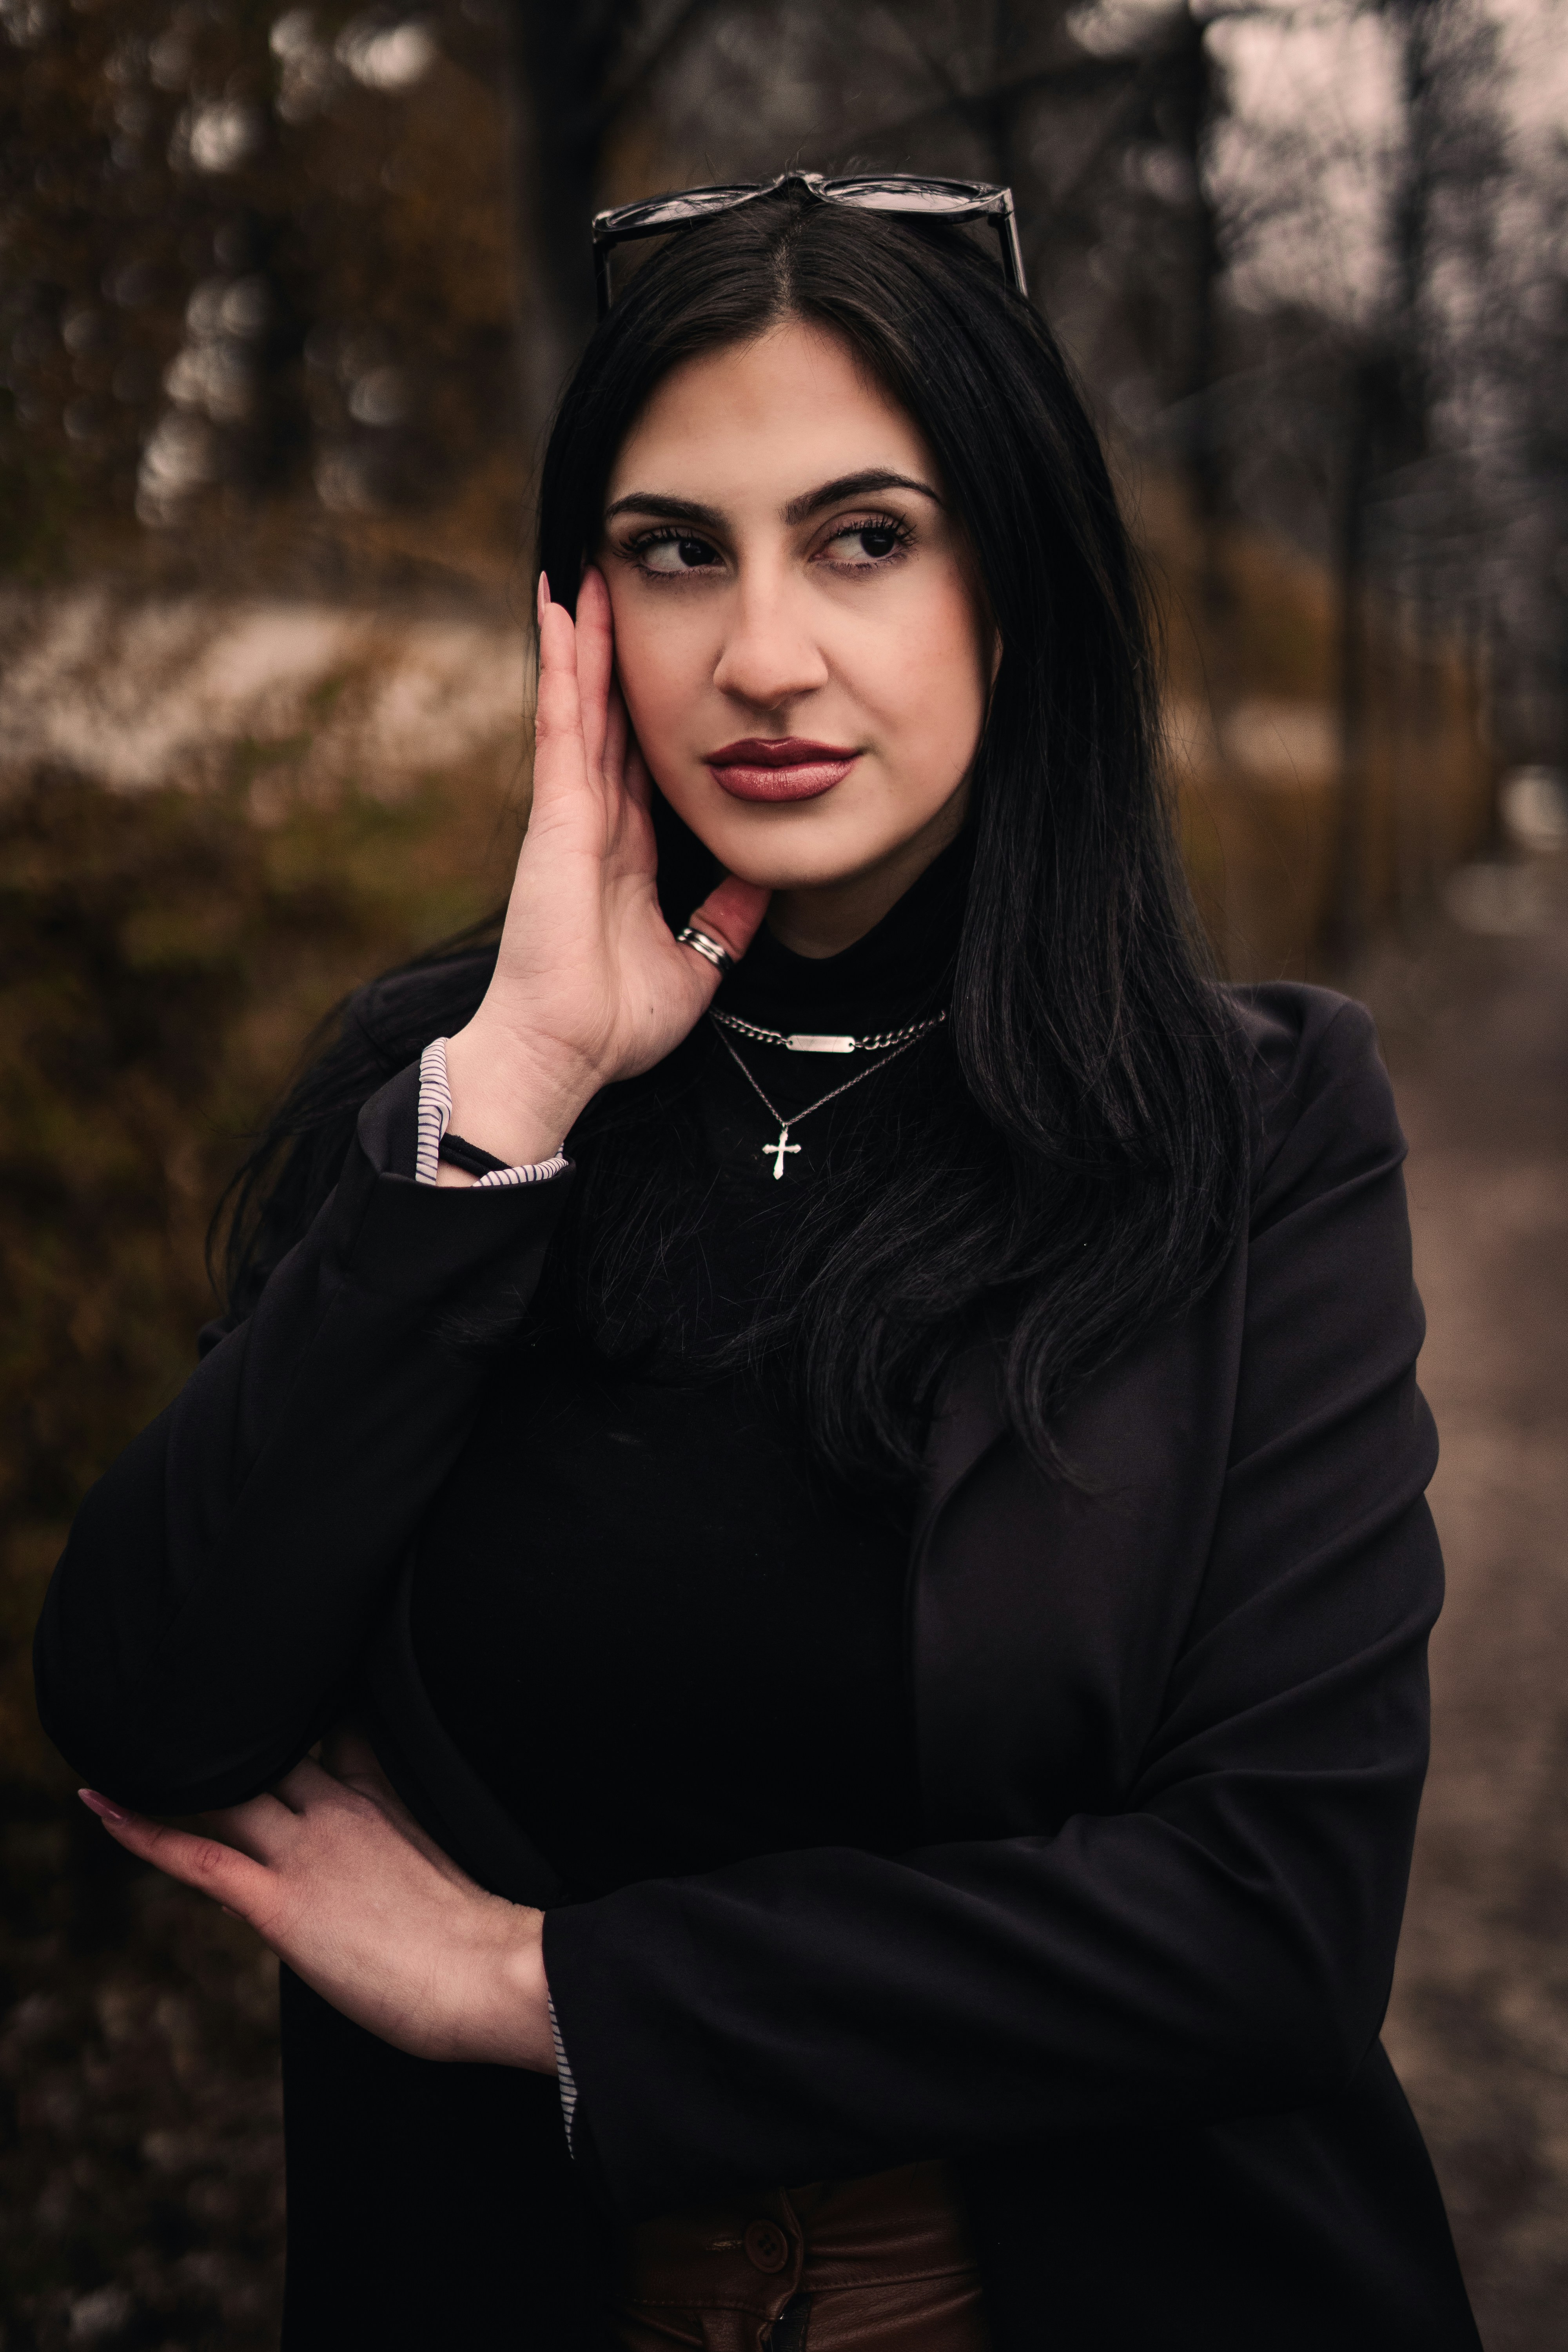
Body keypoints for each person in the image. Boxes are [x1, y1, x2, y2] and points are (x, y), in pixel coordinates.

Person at [34, 176, 1481, 2351]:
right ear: (581, 616)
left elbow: (1271, 1923)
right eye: (676, 549)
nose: (764, 655)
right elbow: (150, 1704)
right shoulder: (459, 1100)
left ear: (1016, 589)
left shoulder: (1255, 1134)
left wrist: (537, 1988)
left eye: (865, 538)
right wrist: (520, 1085)